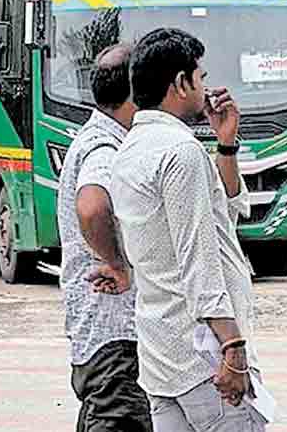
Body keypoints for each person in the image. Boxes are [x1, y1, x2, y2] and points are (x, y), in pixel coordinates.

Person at [109, 27, 268, 432]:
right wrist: (233, 348)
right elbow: (199, 260)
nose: (205, 87)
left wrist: (226, 144)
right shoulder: (180, 152)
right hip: (202, 358)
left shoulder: (131, 150)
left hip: (162, 357)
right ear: (180, 84)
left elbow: (225, 217)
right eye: (200, 77)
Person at [56, 44, 151, 432]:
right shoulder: (105, 148)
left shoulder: (100, 137)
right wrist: (116, 262)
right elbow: (92, 206)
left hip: (102, 336)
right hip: (114, 335)